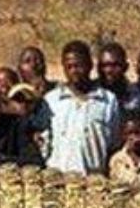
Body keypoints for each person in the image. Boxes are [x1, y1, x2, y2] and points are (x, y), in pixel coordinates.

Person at [31, 40, 121, 175]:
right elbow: (44, 143)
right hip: (58, 180)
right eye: (69, 67)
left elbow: (113, 143)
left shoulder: (108, 101)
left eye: (79, 66)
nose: (74, 71)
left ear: (90, 65)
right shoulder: (51, 101)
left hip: (93, 182)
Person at [96, 42, 140, 119]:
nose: (109, 70)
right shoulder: (90, 95)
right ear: (98, 67)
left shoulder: (139, 98)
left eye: (115, 65)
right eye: (105, 65)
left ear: (126, 67)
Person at [108, 113, 140, 184]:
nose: (135, 137)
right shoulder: (118, 159)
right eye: (130, 133)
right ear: (123, 136)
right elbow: (131, 181)